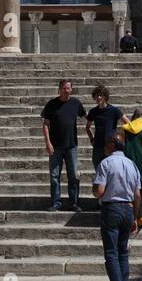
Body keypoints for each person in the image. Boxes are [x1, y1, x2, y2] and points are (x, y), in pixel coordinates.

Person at [92, 132, 141, 281]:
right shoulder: (132, 164)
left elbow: (100, 191)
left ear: (113, 144)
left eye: (106, 143)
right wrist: (135, 217)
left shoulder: (105, 163)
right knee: (123, 252)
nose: (104, 146)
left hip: (111, 209)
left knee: (111, 253)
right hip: (128, 209)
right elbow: (137, 194)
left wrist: (94, 190)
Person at [41, 79, 85, 211]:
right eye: (64, 88)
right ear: (59, 89)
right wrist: (48, 143)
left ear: (71, 89)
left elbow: (87, 117)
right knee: (54, 176)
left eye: (68, 88)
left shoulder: (75, 103)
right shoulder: (52, 104)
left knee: (73, 176)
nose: (66, 91)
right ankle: (56, 202)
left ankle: (74, 203)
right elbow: (45, 124)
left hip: (71, 146)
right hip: (55, 147)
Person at [86, 85, 124, 171]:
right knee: (99, 170)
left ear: (105, 97)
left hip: (111, 146)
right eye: (96, 96)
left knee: (112, 171)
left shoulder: (114, 110)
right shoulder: (93, 111)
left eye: (101, 95)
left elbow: (127, 123)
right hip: (98, 147)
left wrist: (120, 137)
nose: (98, 97)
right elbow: (88, 127)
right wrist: (92, 139)